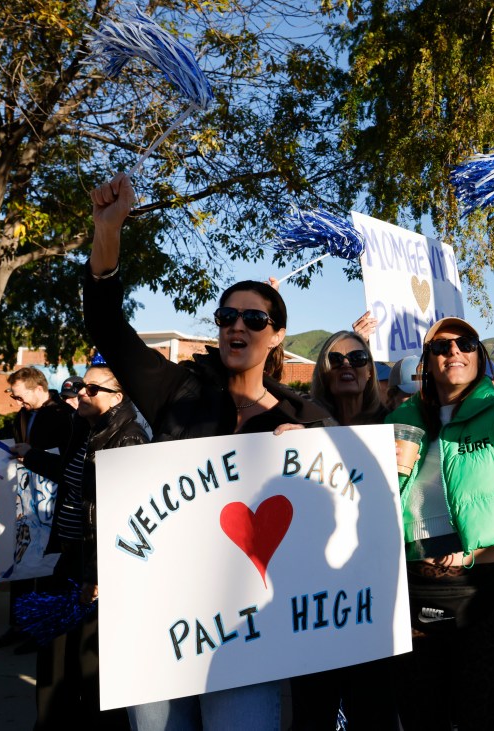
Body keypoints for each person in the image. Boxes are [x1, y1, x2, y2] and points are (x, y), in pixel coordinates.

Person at [83, 172, 331, 730]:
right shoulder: (177, 390)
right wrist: (107, 233)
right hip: (159, 626)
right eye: (226, 316)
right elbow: (106, 324)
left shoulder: (303, 419)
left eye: (253, 318)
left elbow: (343, 509)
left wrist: (321, 459)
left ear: (276, 336)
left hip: (245, 642)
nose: (235, 325)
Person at [386, 249, 494, 730]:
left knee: (487, 721)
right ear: (427, 361)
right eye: (441, 347)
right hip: (412, 597)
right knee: (422, 719)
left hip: (482, 598)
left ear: (480, 356)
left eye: (465, 343)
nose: (454, 352)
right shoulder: (400, 423)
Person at [18, 364, 148, 730]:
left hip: (98, 567)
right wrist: (30, 454)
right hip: (71, 556)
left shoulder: (128, 437)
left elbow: (122, 515)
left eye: (93, 388)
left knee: (93, 668)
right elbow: (69, 475)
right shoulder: (87, 428)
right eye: (79, 385)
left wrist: (97, 575)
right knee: (57, 652)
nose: (82, 392)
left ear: (117, 396)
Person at [290, 329, 399, 730]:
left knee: (375, 714)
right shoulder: (299, 428)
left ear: (371, 372)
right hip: (315, 605)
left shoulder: (393, 428)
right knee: (312, 715)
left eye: (357, 359)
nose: (347, 366)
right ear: (323, 371)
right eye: (336, 360)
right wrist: (284, 449)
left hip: (375, 601)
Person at [0, 367, 75, 653]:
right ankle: (19, 625)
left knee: (46, 567)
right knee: (22, 558)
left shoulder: (64, 415)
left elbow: (68, 459)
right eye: (13, 398)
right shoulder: (24, 414)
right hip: (24, 500)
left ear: (38, 388)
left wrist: (33, 455)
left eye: (21, 397)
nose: (17, 403)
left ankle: (40, 630)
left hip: (50, 502)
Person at [310, 330, 389, 426]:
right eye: (335, 359)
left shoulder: (390, 423)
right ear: (323, 372)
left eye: (358, 357)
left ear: (369, 372)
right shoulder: (307, 423)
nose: (346, 364)